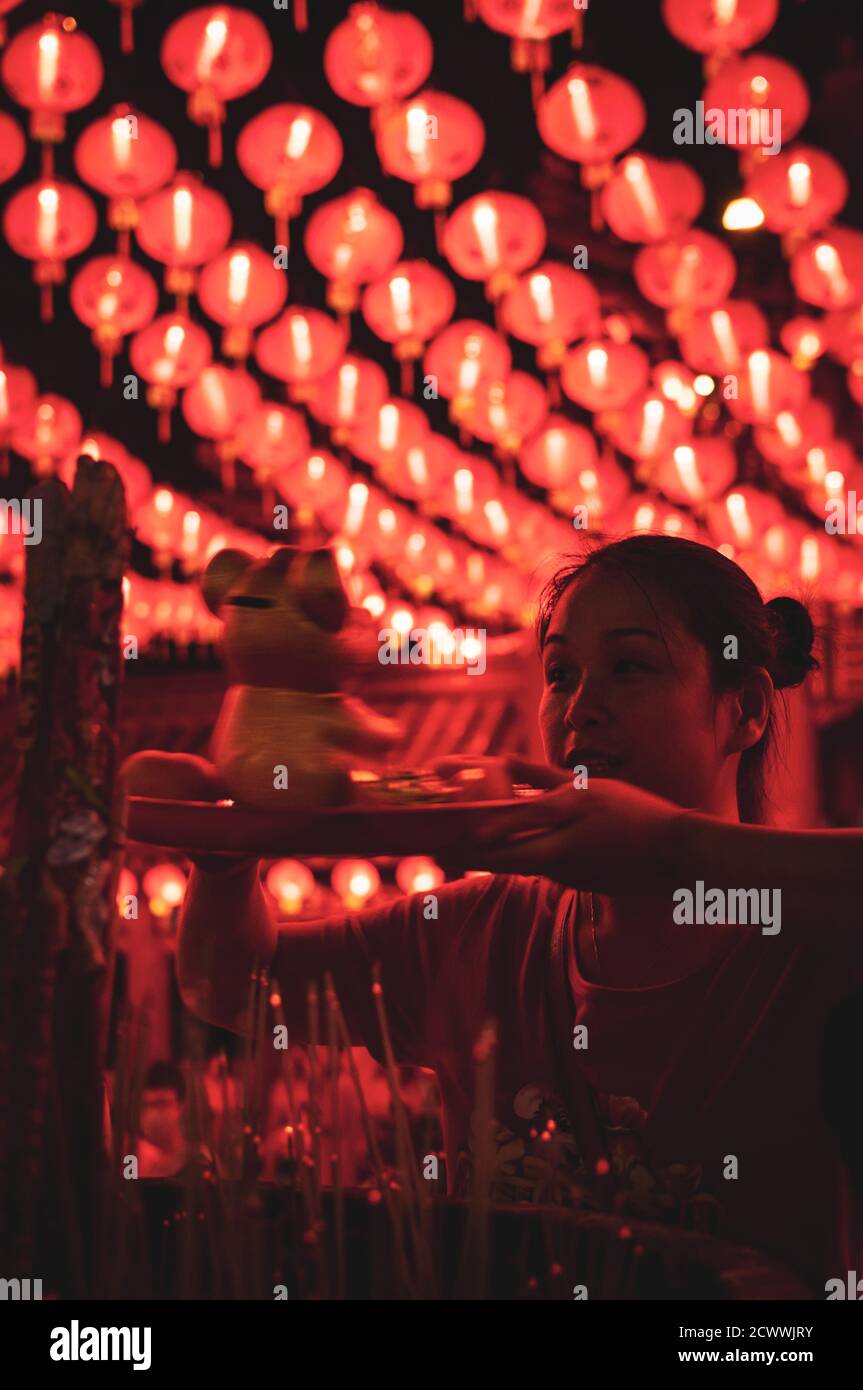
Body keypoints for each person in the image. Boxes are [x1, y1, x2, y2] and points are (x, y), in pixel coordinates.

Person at [147, 535, 863, 1290]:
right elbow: (234, 986)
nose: (581, 707)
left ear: (744, 710)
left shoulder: (812, 938)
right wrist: (223, 864)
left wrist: (677, 850)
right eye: (561, 674)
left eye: (630, 667)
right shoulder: (484, 929)